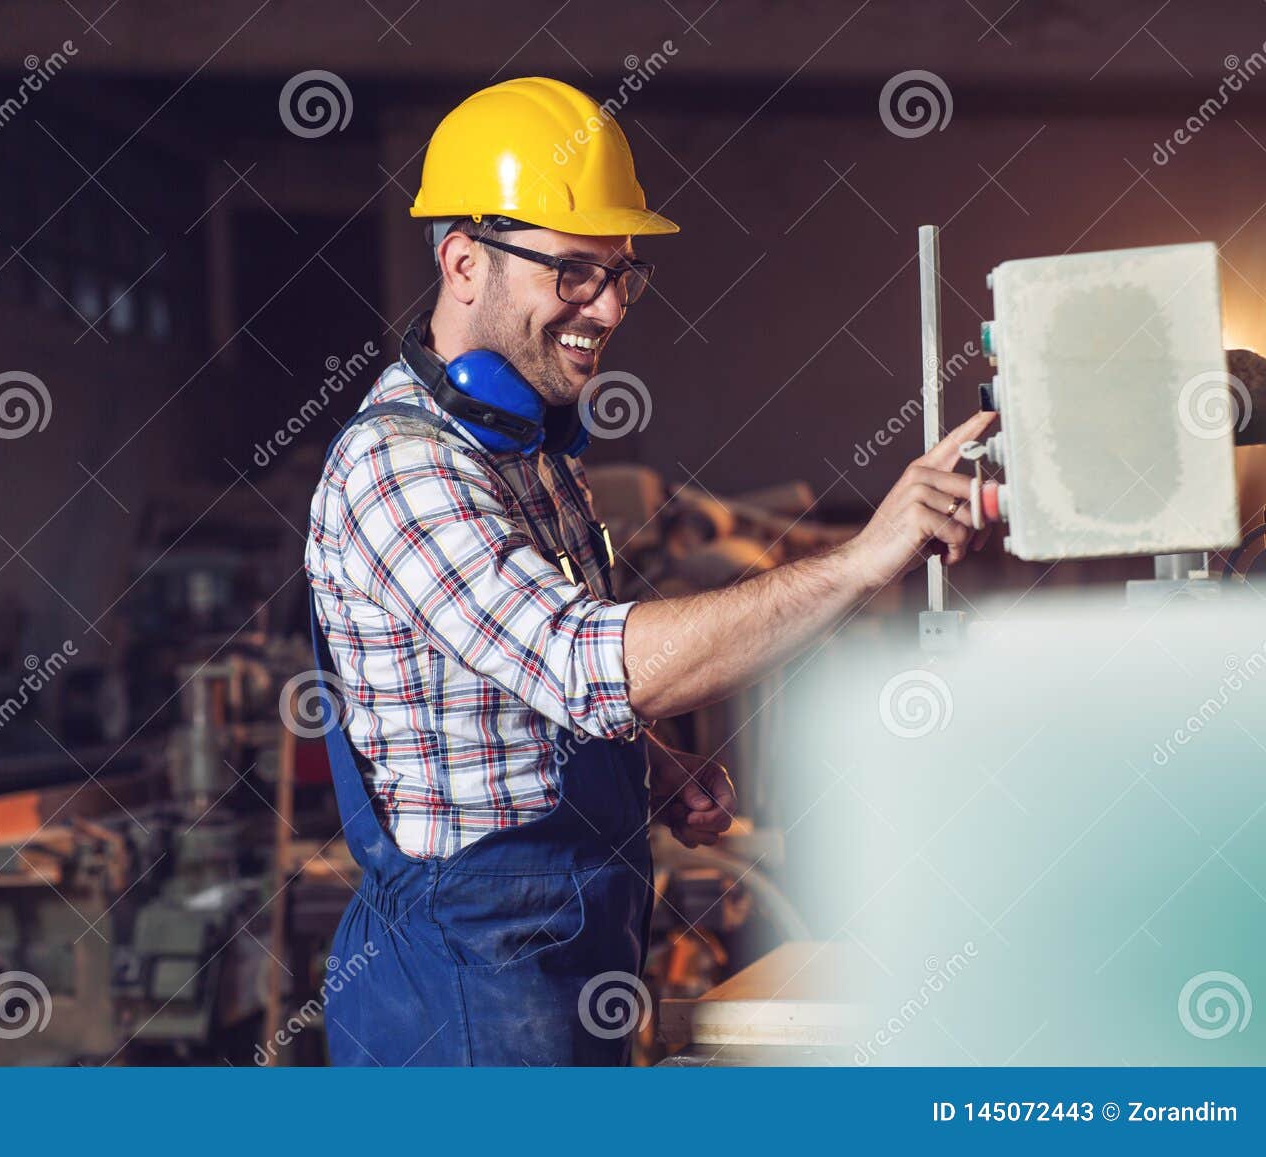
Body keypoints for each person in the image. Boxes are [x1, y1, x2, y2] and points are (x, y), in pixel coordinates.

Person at [303, 76, 994, 1066]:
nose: (610, 306)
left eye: (624, 273)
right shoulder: (402, 466)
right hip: (463, 984)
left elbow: (527, 687)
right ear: (463, 262)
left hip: (573, 947)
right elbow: (587, 663)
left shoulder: (531, 447)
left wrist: (649, 768)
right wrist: (859, 559)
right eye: (575, 271)